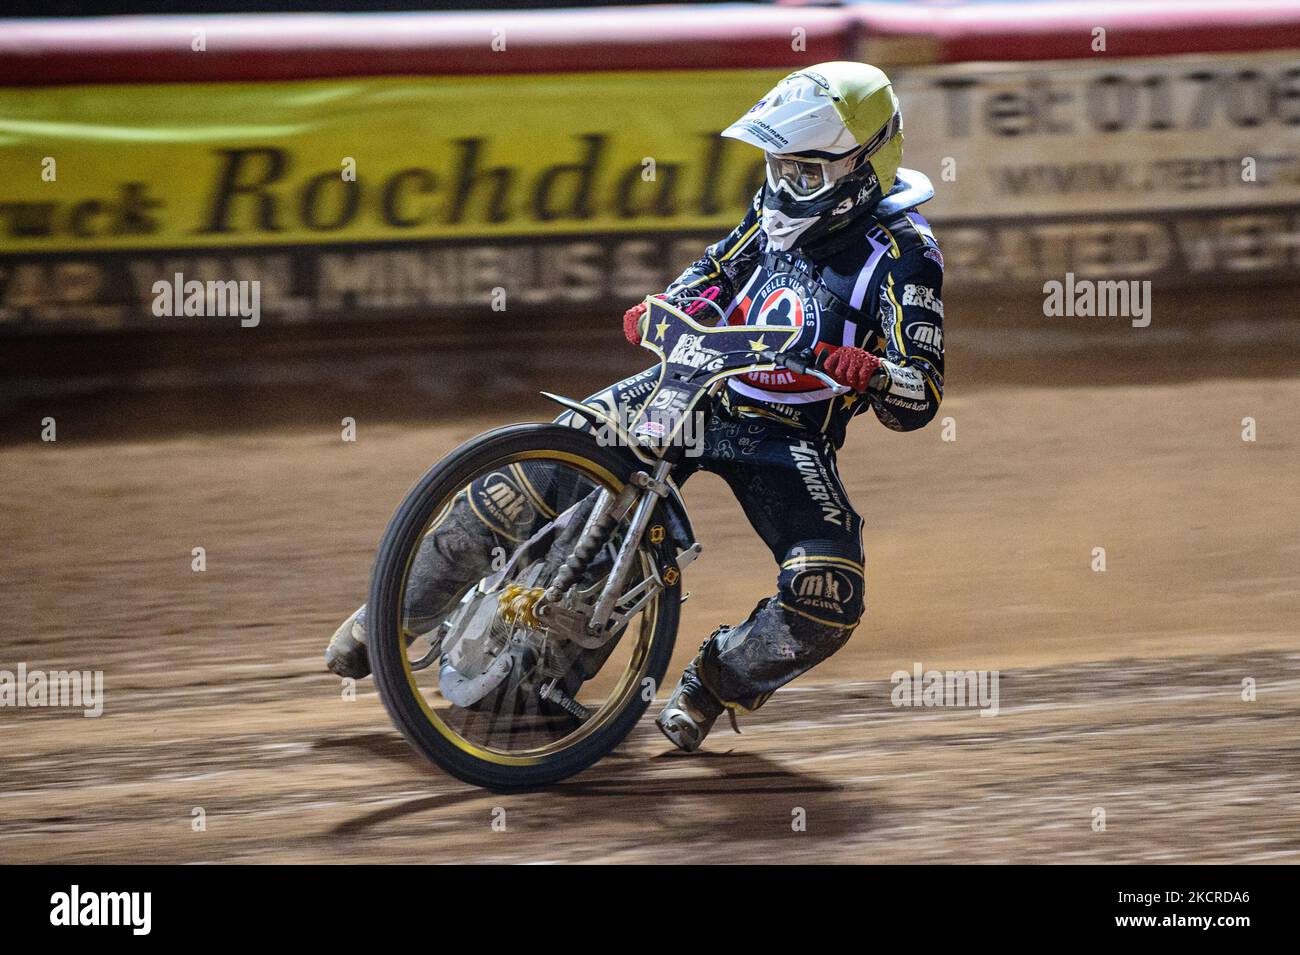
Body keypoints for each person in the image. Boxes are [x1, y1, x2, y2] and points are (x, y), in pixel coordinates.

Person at [326, 61, 945, 754]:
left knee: (827, 594)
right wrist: (671, 305)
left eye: (804, 173)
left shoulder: (905, 255)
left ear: (863, 168)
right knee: (538, 466)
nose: (782, 186)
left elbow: (922, 392)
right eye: (777, 166)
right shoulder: (772, 210)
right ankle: (391, 613)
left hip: (784, 434)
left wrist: (876, 371)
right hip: (698, 385)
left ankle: (713, 683)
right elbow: (716, 268)